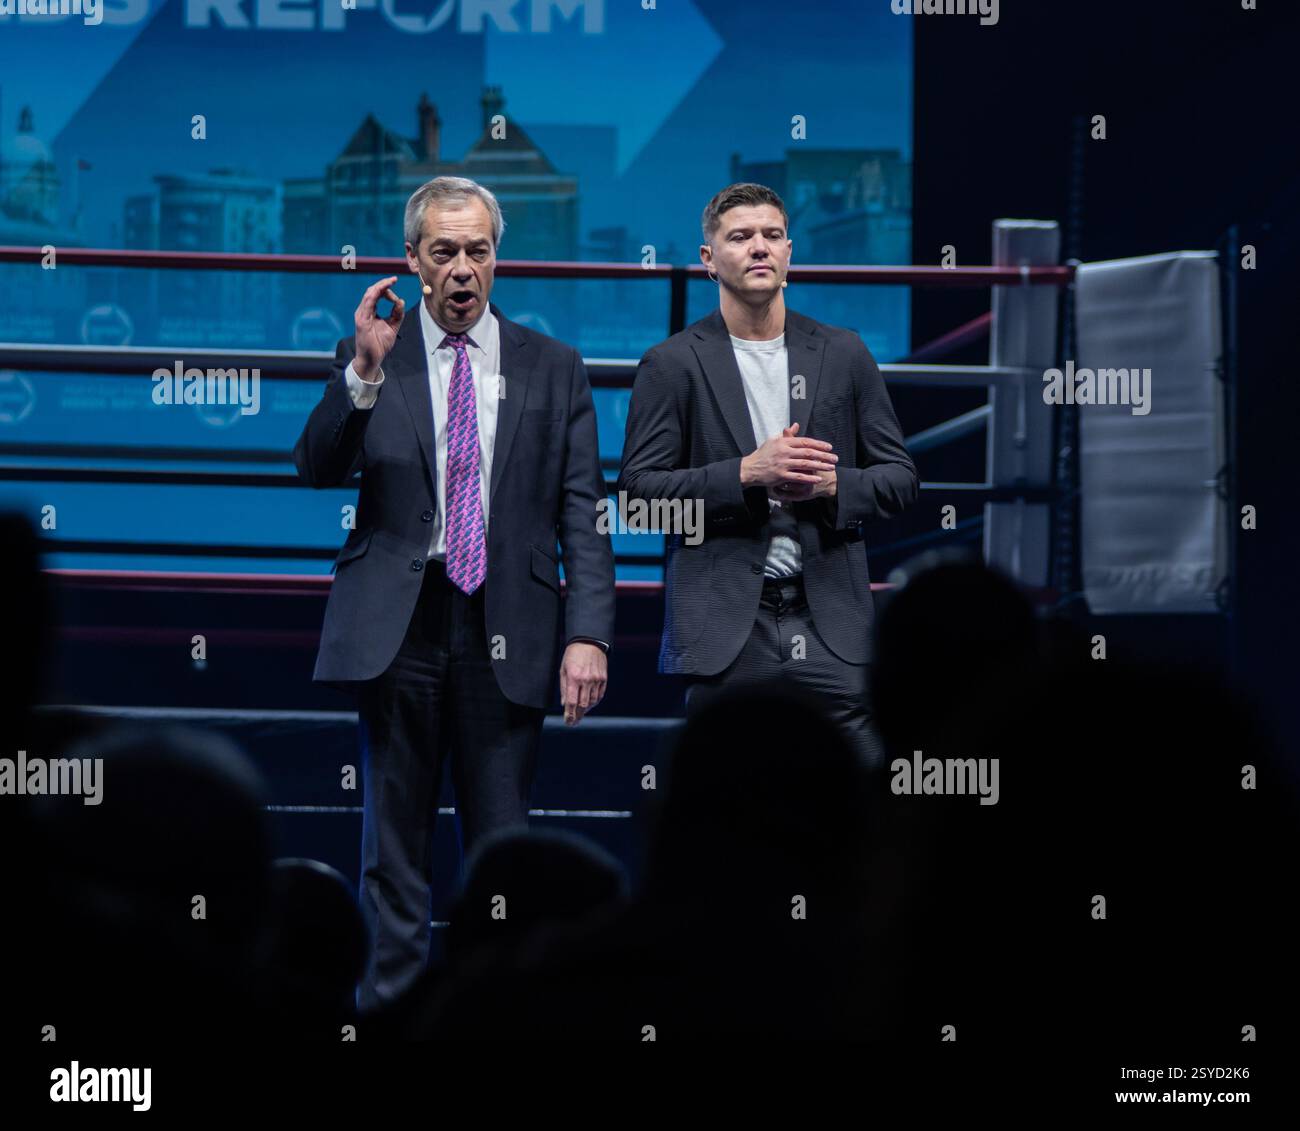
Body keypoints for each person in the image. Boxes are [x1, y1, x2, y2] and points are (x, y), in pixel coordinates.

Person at [293, 176, 615, 1012]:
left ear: (496, 257)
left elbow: (583, 513)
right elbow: (316, 467)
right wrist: (362, 371)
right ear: (412, 260)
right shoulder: (374, 352)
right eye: (444, 252)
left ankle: (498, 1021)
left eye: (478, 251)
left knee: (504, 854)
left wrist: (590, 633)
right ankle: (392, 1017)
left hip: (509, 624)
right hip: (400, 626)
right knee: (392, 853)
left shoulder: (555, 367)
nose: (463, 268)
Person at [618, 182, 917, 767]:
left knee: (861, 811)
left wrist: (833, 486)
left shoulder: (844, 353)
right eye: (740, 237)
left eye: (772, 235)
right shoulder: (672, 363)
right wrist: (747, 474)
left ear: (789, 253)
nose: (759, 248)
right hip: (729, 626)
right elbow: (638, 501)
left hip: (829, 617)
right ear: (708, 259)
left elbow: (900, 479)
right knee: (730, 819)